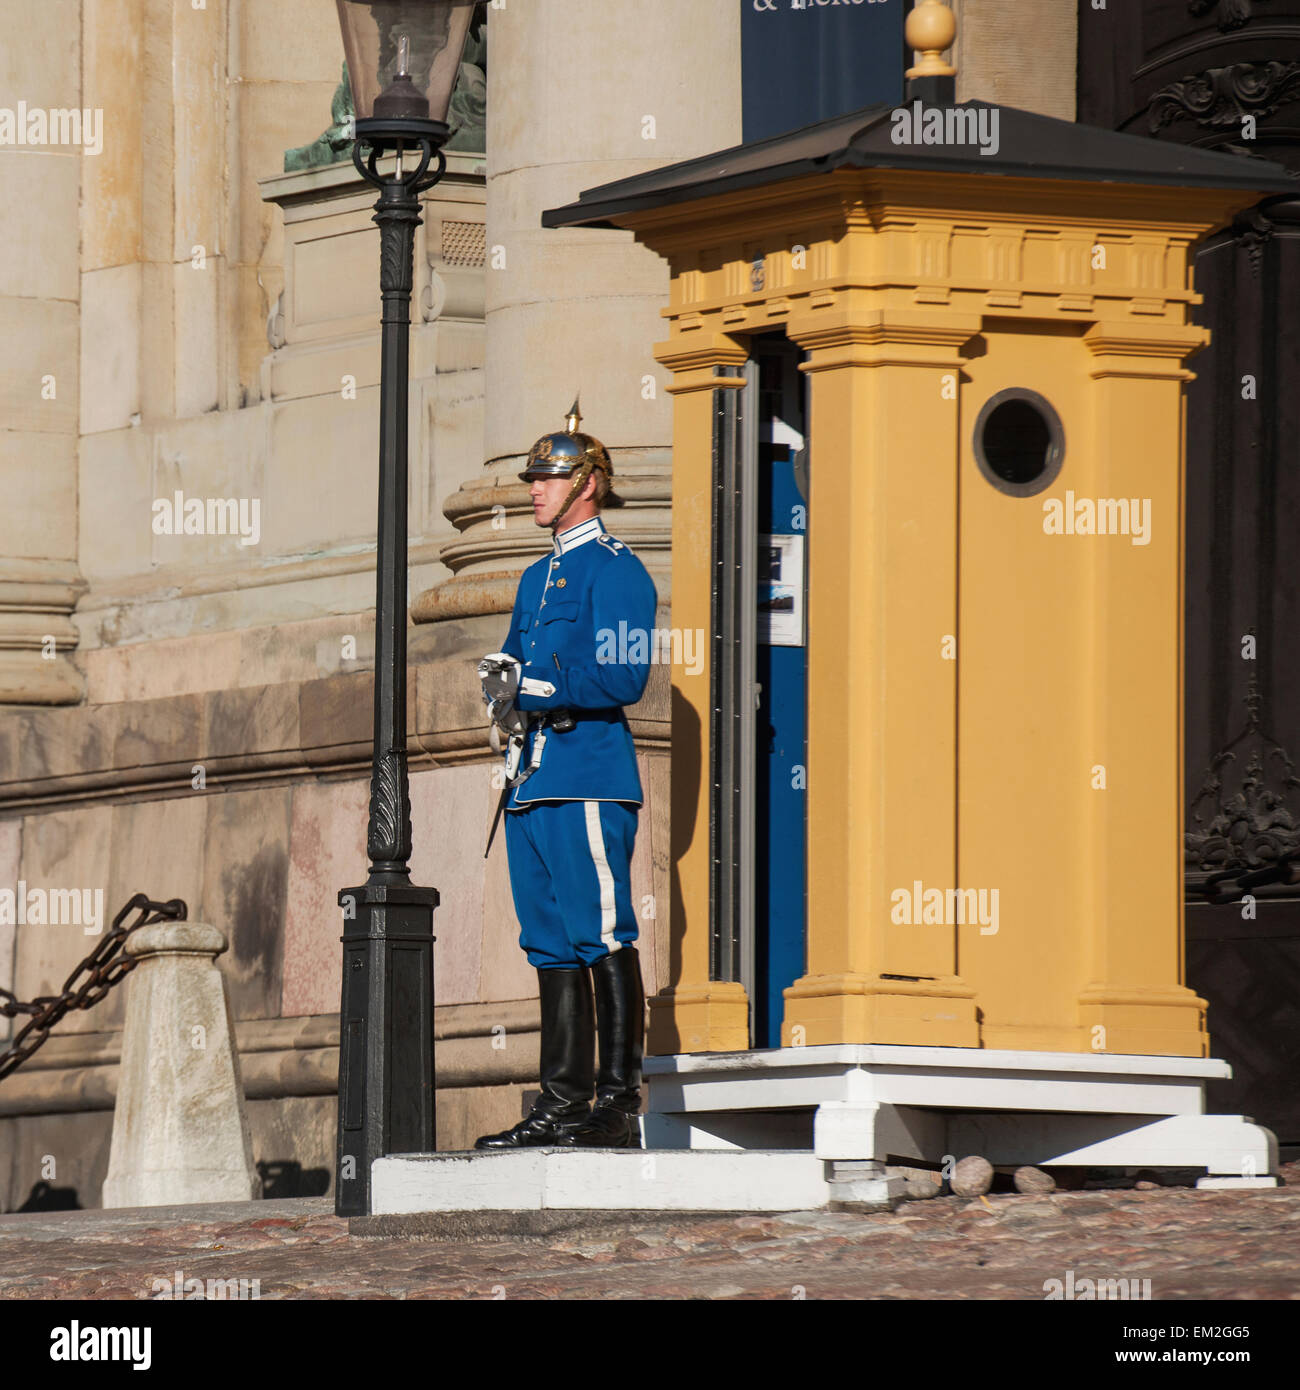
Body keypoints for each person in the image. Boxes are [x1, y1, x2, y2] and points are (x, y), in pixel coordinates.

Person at [474, 401, 657, 1149]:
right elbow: (518, 662)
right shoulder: (534, 577)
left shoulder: (617, 572)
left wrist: (544, 686)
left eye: (546, 478)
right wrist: (506, 692)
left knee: (602, 934)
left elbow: (623, 675)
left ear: (587, 483)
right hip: (534, 776)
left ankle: (617, 1101)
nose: (533, 490)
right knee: (547, 941)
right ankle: (561, 1101)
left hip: (586, 770)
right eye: (532, 478)